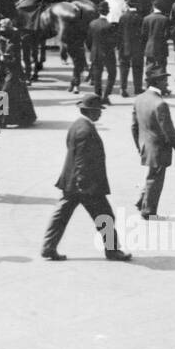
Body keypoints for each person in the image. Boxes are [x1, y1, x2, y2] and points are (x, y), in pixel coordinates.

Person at [42, 94, 131, 262]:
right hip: (86, 184)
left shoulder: (77, 125)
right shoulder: (86, 130)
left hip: (71, 182)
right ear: (91, 111)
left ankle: (48, 247)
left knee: (61, 216)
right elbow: (82, 159)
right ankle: (112, 251)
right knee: (105, 216)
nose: (101, 113)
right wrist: (84, 184)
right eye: (98, 110)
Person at [131, 65, 175, 218]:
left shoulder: (140, 98)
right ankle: (148, 211)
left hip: (145, 145)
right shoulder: (160, 104)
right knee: (155, 180)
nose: (167, 83)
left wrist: (139, 145)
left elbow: (134, 127)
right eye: (164, 80)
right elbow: (169, 131)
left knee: (152, 175)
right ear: (157, 82)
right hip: (159, 148)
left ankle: (142, 201)